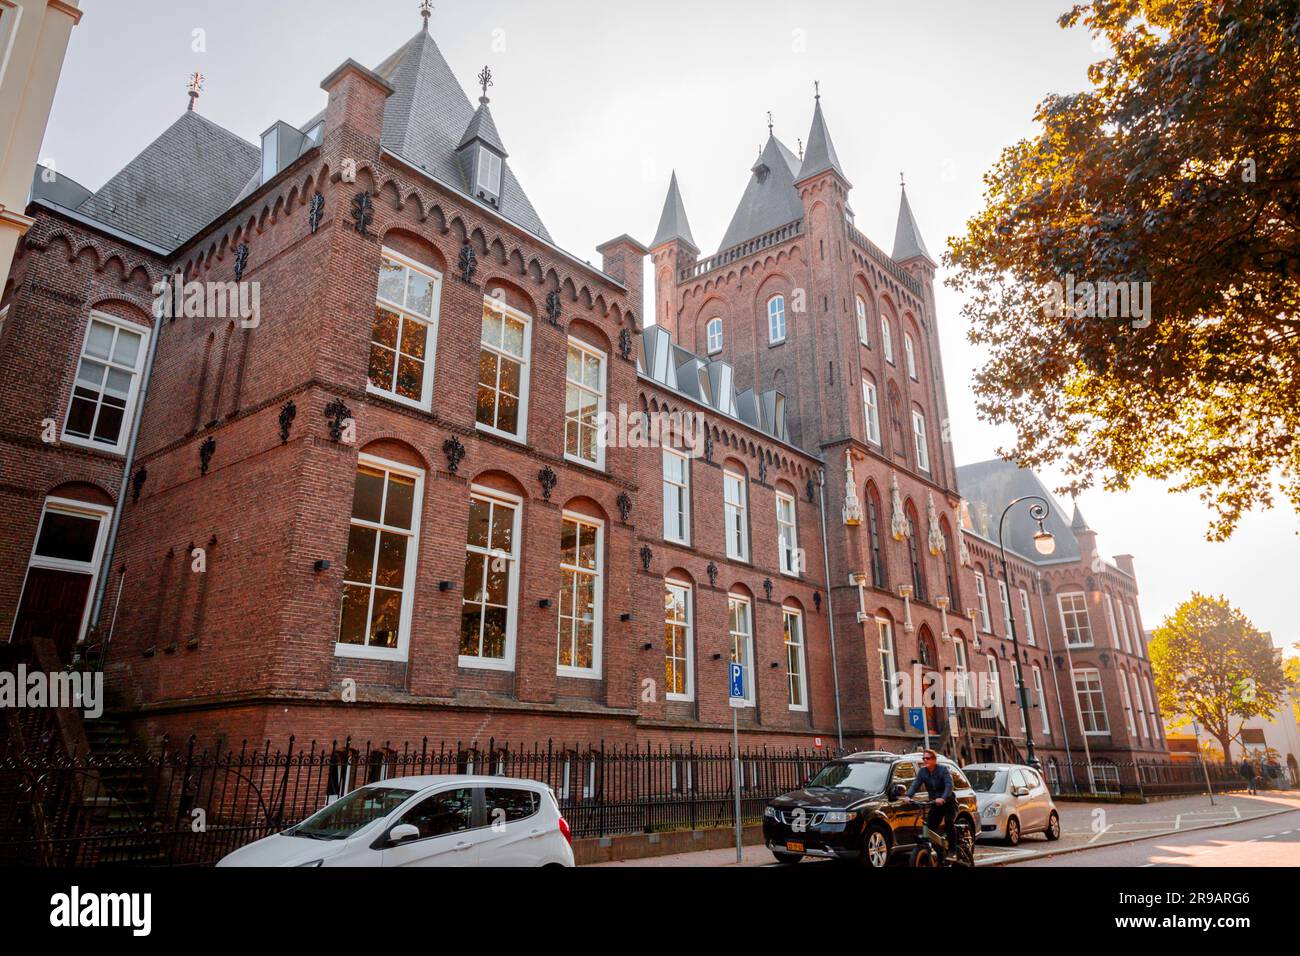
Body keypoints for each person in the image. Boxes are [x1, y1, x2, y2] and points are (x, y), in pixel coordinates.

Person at [906, 748, 957, 854]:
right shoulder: (922, 772)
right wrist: (908, 796)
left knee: (948, 821)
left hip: (949, 803)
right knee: (929, 829)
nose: (925, 760)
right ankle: (939, 852)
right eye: (923, 758)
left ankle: (953, 850)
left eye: (927, 758)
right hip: (935, 804)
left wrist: (943, 798)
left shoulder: (943, 770)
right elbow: (915, 784)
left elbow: (949, 785)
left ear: (934, 759)